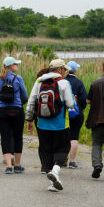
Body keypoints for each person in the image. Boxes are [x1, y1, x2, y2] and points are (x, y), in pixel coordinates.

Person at [27, 59, 75, 191]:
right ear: (59, 70)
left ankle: (52, 182)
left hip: (42, 124)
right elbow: (70, 104)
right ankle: (55, 171)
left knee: (46, 149)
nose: (65, 72)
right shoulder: (64, 83)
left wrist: (29, 120)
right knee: (63, 148)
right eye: (64, 69)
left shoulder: (39, 82)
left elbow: (31, 101)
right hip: (60, 124)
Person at [0, 57, 29, 174]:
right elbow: (25, 96)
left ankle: (8, 166)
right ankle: (17, 165)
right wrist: (17, 103)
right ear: (11, 66)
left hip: (2, 111)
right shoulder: (18, 78)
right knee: (18, 137)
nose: (17, 65)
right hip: (17, 111)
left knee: (5, 138)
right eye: (16, 64)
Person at [65, 61, 88, 169]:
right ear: (75, 70)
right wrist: (81, 108)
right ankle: (72, 161)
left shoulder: (62, 81)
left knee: (64, 136)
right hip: (76, 112)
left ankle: (62, 158)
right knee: (74, 136)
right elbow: (84, 100)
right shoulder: (79, 83)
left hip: (63, 113)